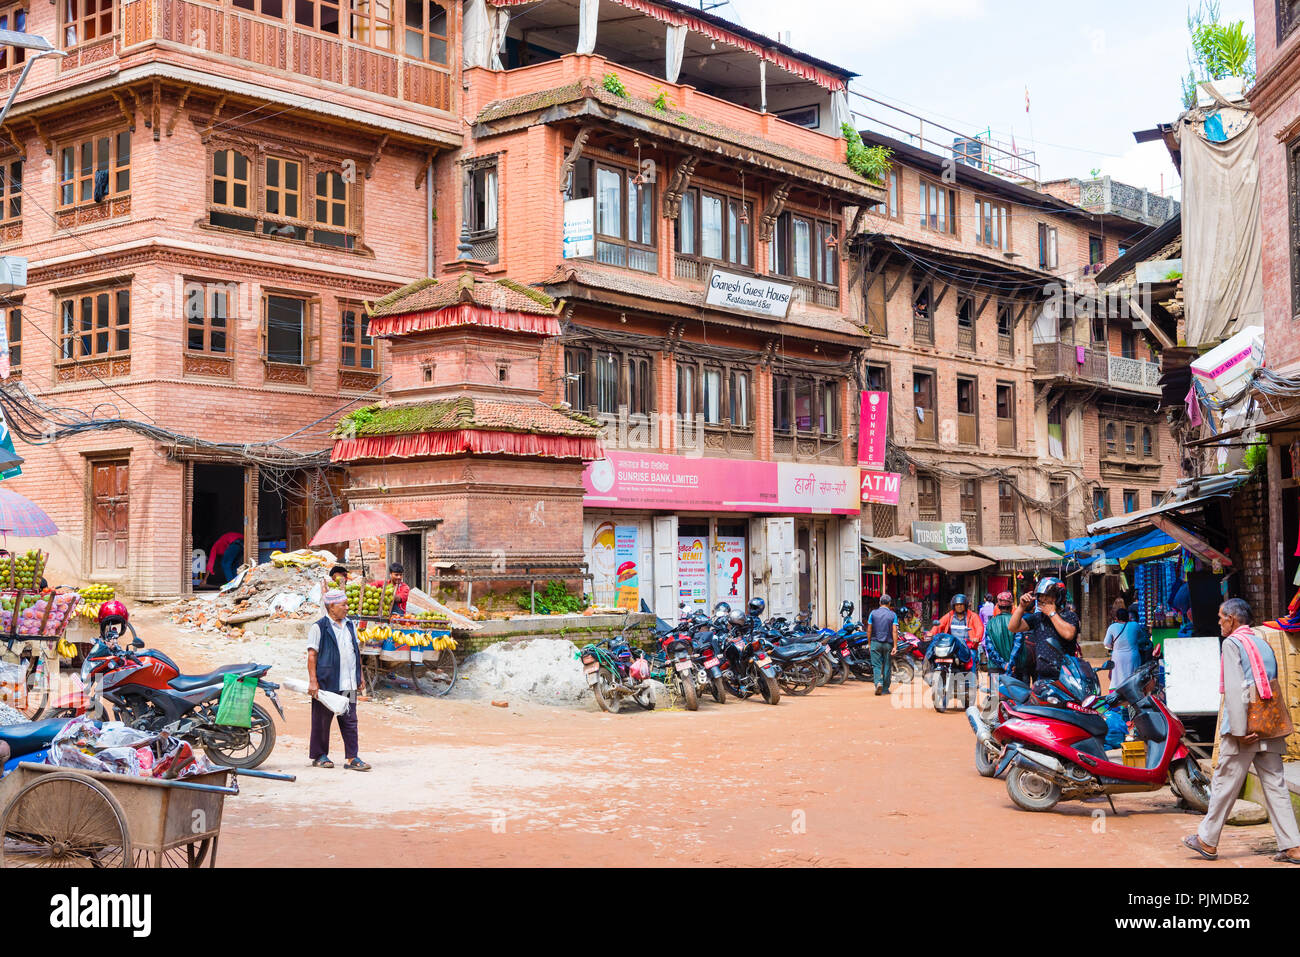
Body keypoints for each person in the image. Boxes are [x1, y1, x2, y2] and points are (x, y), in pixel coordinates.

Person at [1184, 599, 1300, 864]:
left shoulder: (1232, 644)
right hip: (1269, 724)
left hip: (1244, 727)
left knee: (1225, 783)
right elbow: (1269, 683)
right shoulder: (1264, 643)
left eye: (1221, 617)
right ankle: (1293, 846)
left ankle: (1207, 841)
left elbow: (1236, 691)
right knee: (1276, 785)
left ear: (1232, 620)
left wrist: (1239, 730)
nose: (1219, 622)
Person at [306, 589, 371, 771]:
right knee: (322, 720)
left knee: (350, 720)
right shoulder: (319, 627)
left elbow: (355, 652)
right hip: (327, 681)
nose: (347, 608)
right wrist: (313, 682)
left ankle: (352, 757)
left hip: (348, 682)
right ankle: (319, 756)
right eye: (343, 605)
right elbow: (312, 655)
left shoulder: (350, 625)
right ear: (331, 607)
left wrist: (360, 676)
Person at [1007, 577, 1079, 683]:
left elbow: (1068, 634)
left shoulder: (1069, 616)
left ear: (1058, 597)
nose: (1042, 599)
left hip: (1066, 677)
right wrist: (1021, 607)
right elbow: (1013, 627)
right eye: (1041, 596)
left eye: (1047, 596)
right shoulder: (1038, 617)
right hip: (1043, 677)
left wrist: (1052, 613)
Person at [981, 591, 1023, 679]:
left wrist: (1003, 664)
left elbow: (990, 648)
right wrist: (1010, 663)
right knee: (1014, 693)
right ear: (1011, 606)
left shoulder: (991, 623)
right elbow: (1018, 645)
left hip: (995, 668)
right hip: (1014, 668)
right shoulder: (1018, 622)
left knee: (995, 693)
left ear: (998, 607)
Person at [867, 595, 899, 696]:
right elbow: (894, 631)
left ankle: (878, 683)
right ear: (889, 604)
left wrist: (869, 643)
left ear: (879, 602)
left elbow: (869, 629)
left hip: (875, 642)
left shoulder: (873, 613)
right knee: (887, 665)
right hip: (888, 644)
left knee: (876, 665)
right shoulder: (893, 615)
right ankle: (885, 688)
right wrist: (895, 646)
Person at [1104, 606, 1141, 690]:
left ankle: (1118, 698)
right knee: (1133, 679)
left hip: (1118, 657)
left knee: (1117, 680)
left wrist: (1112, 646)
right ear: (1128, 616)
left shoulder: (1112, 627)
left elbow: (1106, 643)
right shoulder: (1135, 625)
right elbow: (1141, 637)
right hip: (1133, 656)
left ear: (1116, 618)